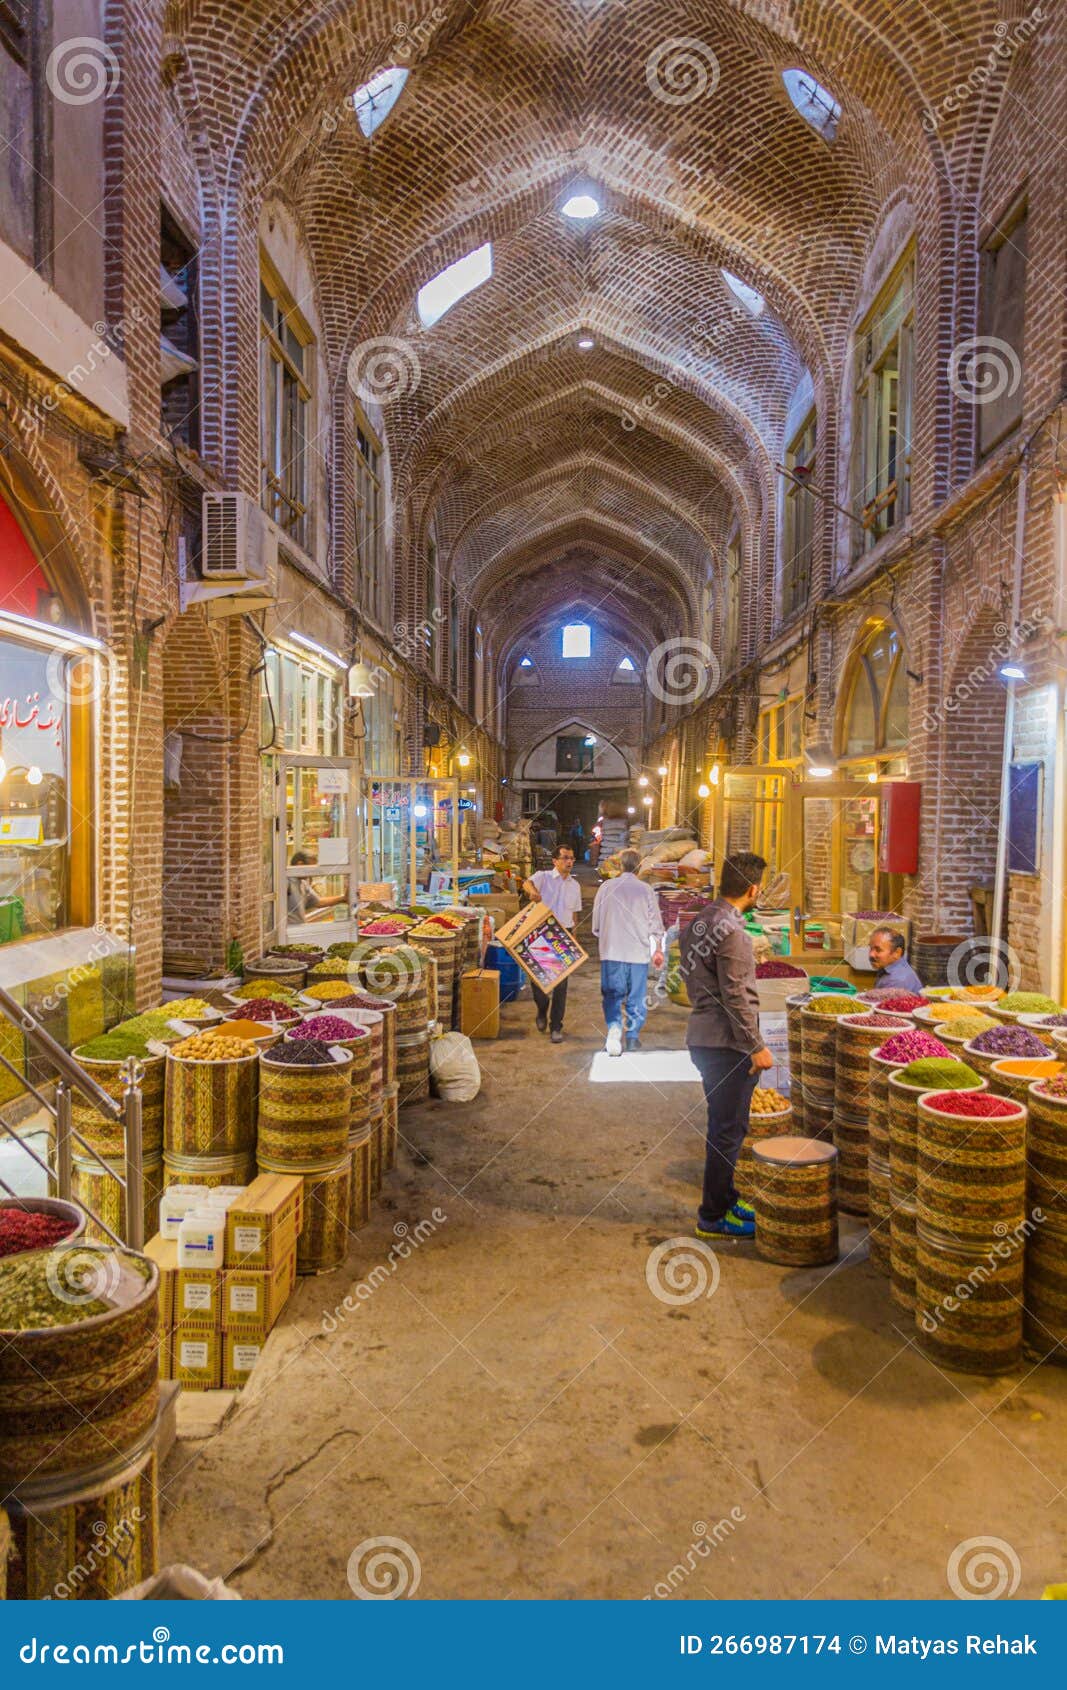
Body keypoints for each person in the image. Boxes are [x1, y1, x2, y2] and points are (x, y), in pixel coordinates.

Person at [681, 852, 774, 1240]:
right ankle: (713, 1216)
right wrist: (755, 1046)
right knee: (728, 1131)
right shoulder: (732, 932)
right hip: (726, 1045)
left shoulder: (700, 921)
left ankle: (727, 1196)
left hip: (704, 1036)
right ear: (752, 889)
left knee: (725, 1126)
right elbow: (735, 995)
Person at [591, 848, 665, 1054]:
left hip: (611, 951)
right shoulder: (646, 890)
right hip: (637, 953)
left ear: (621, 865)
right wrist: (658, 947)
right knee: (636, 995)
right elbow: (655, 923)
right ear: (639, 867)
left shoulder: (606, 887)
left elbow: (596, 923)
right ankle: (632, 1037)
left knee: (613, 994)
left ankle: (614, 1030)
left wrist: (604, 935)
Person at [522, 843, 582, 1043]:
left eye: (572, 858)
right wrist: (532, 892)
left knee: (561, 986)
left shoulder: (575, 886)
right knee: (538, 982)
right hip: (540, 934)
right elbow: (526, 883)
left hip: (561, 937)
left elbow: (574, 912)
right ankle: (541, 1009)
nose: (569, 862)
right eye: (565, 858)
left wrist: (574, 934)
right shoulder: (544, 877)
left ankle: (556, 1026)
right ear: (555, 861)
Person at [286, 850, 348, 923]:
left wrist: (343, 898)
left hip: (299, 931)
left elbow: (318, 902)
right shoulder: (286, 882)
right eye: (311, 869)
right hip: (287, 932)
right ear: (300, 864)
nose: (313, 873)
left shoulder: (303, 883)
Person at [868, 926, 923, 993]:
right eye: (871, 948)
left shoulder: (898, 981)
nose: (871, 954)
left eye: (878, 950)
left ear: (897, 953)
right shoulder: (888, 967)